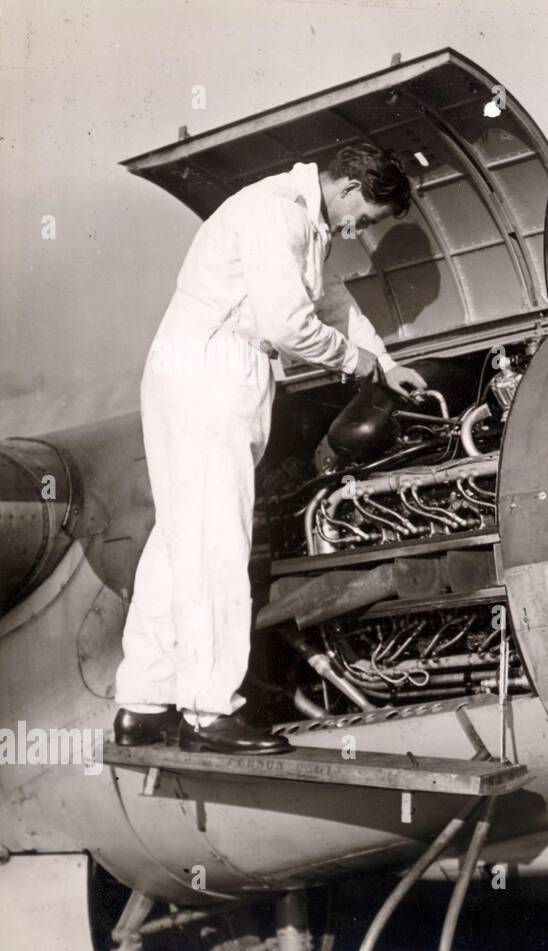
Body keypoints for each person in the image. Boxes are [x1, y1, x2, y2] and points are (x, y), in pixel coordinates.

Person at [113, 143, 426, 755]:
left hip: (205, 367)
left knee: (182, 539)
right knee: (217, 543)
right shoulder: (277, 213)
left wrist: (385, 364)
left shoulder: (303, 221)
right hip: (211, 369)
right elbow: (288, 325)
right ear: (348, 187)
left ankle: (145, 705)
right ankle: (210, 714)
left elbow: (333, 302)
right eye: (362, 217)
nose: (357, 231)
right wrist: (356, 362)